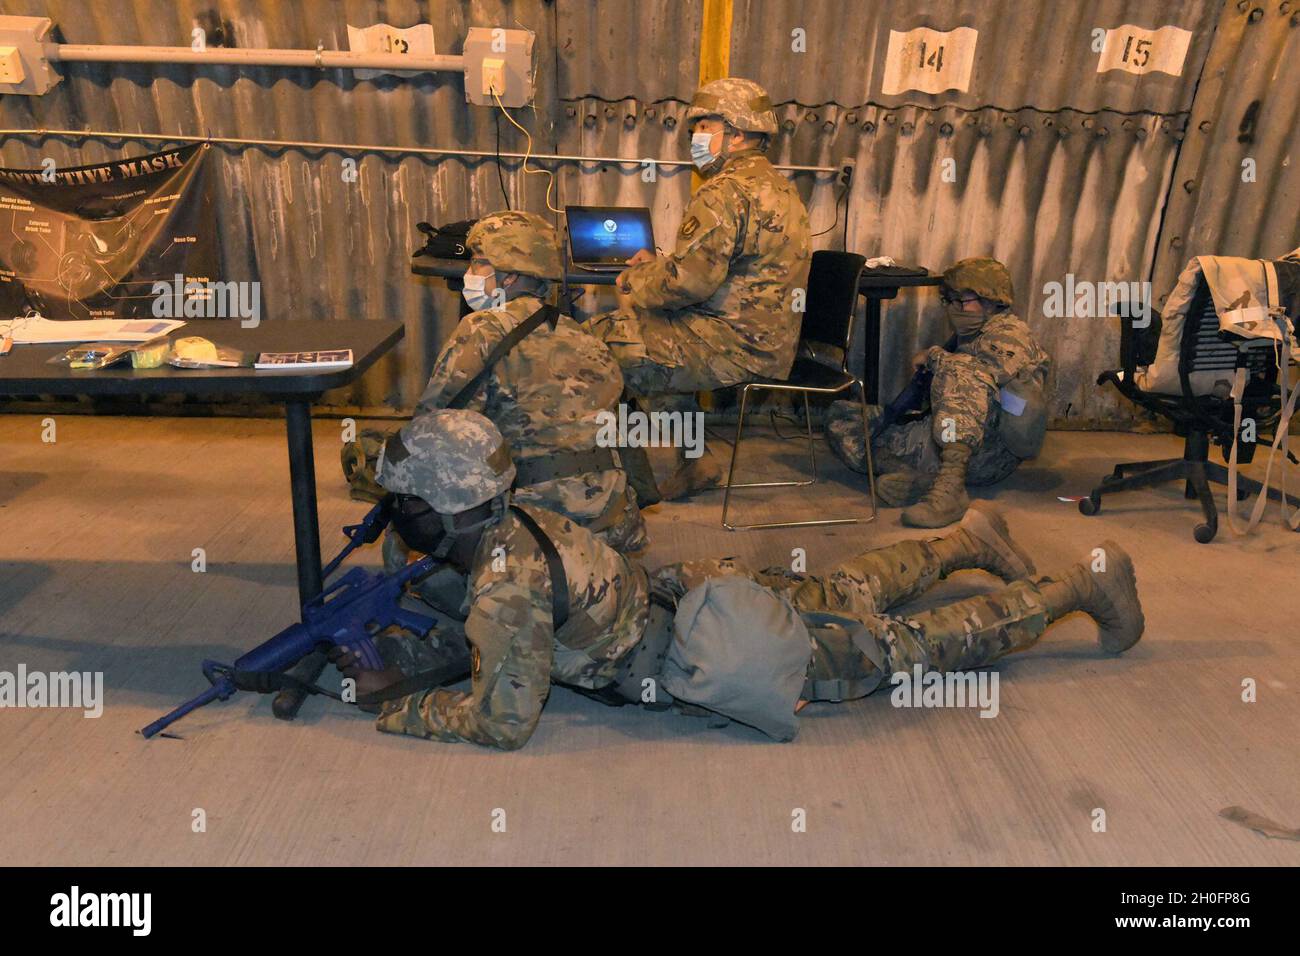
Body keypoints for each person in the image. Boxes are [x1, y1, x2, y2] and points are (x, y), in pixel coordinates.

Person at [334, 408, 1144, 751]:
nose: (394, 515)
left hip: (706, 644)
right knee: (847, 586)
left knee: (904, 649)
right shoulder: (523, 515)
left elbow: (504, 723)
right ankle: (965, 538)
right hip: (692, 588)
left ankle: (1080, 585)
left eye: (403, 503)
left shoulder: (505, 585)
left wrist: (402, 709)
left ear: (444, 509)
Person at [342, 210, 647, 559]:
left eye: (479, 263)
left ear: (509, 277)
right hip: (613, 525)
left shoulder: (482, 330)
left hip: (535, 528)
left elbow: (431, 429)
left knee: (393, 459)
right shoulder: (588, 337)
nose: (469, 274)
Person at [583, 77, 811, 499]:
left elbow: (687, 284)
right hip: (768, 342)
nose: (695, 138)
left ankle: (610, 490)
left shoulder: (724, 192)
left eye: (704, 127)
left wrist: (634, 279)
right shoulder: (781, 188)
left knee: (597, 342)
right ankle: (694, 461)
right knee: (651, 330)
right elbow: (723, 270)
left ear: (737, 134)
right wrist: (659, 268)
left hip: (733, 346)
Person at [827, 257, 1051, 528]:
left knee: (960, 368)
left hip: (988, 451)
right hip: (946, 436)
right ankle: (922, 480)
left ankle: (950, 487)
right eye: (950, 301)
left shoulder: (1009, 334)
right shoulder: (973, 333)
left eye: (962, 301)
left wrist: (934, 357)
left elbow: (981, 377)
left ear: (992, 300)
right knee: (842, 419)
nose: (954, 309)